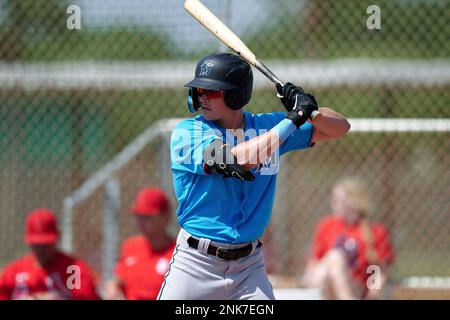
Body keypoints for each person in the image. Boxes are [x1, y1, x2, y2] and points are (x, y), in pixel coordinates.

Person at [158, 52, 350, 300]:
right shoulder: (188, 132)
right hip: (196, 265)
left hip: (249, 268)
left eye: (213, 92)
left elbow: (340, 128)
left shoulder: (267, 126)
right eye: (199, 91)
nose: (202, 97)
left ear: (237, 95)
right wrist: (292, 120)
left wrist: (311, 112)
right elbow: (236, 160)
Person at [302, 177, 395, 299]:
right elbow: (315, 262)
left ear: (353, 202)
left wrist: (373, 292)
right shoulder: (327, 225)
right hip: (323, 284)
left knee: (335, 258)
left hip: (354, 287)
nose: (332, 203)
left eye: (337, 200)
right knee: (334, 258)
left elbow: (379, 269)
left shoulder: (375, 232)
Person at [0, 208, 100, 300]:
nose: (41, 250)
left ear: (56, 239)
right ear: (29, 242)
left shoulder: (74, 270)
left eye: (45, 244)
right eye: (37, 245)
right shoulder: (13, 272)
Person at [104, 188, 176, 300]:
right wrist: (113, 286)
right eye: (139, 216)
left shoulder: (177, 253)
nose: (141, 222)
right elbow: (118, 278)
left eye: (147, 217)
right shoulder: (130, 247)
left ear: (165, 217)